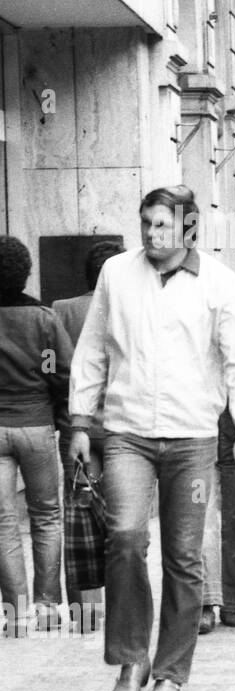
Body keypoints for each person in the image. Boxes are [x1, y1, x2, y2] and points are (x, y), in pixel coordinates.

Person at [69, 185, 235, 691]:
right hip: (127, 432)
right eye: (147, 224)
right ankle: (133, 658)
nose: (153, 236)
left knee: (183, 556)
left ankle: (172, 670)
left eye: (164, 226)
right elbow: (92, 348)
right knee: (126, 539)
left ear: (189, 228)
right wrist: (82, 422)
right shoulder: (116, 274)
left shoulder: (219, 284)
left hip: (192, 437)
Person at [0, 235, 73, 636]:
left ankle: (15, 614)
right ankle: (46, 606)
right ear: (26, 273)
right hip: (37, 426)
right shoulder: (43, 320)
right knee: (47, 516)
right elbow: (58, 373)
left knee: (2, 522)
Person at [53, 239, 123, 631]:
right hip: (120, 429)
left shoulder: (62, 310)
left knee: (79, 512)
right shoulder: (127, 306)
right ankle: (121, 601)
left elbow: (56, 365)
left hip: (76, 426)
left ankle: (84, 613)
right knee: (120, 519)